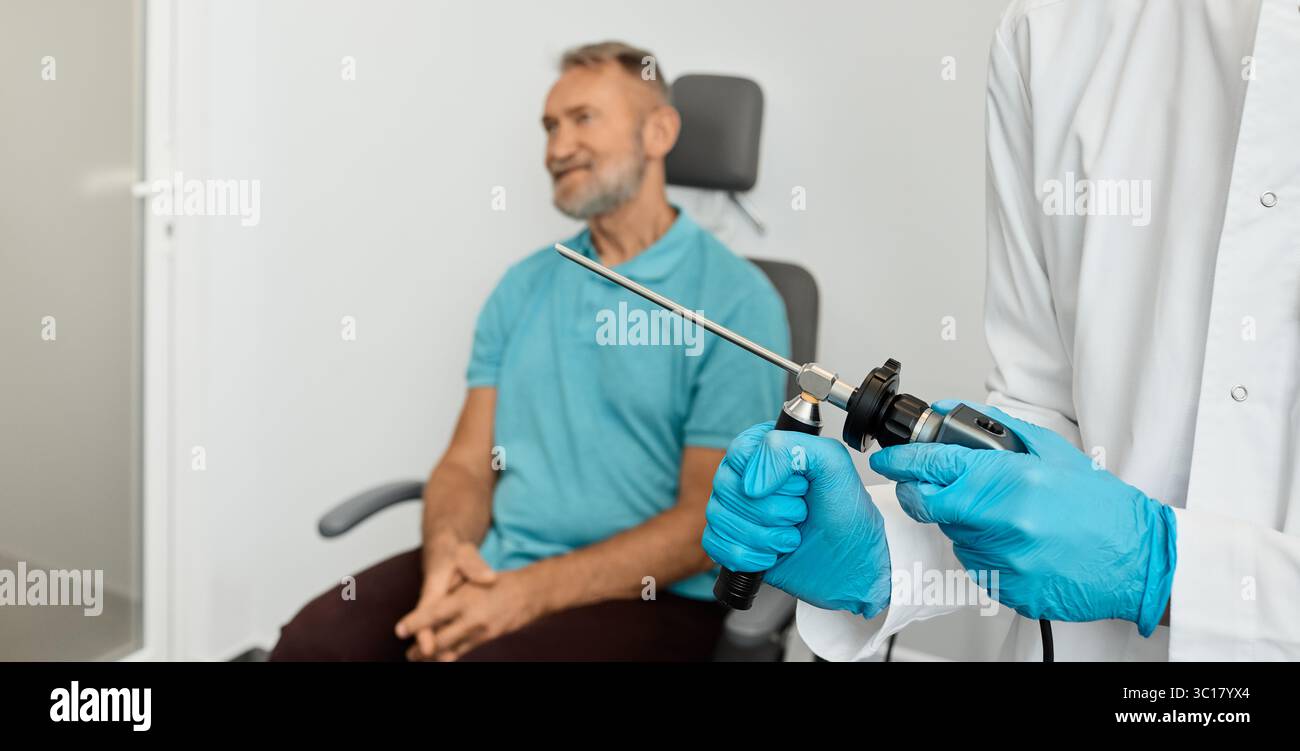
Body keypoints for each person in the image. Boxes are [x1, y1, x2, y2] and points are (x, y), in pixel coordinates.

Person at [703, 0, 1300, 661]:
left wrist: (1163, 571)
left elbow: (1111, 536)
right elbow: (1044, 425)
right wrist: (888, 557)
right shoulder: (1053, 27)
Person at [271, 41, 788, 661]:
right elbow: (466, 465)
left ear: (658, 131)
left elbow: (703, 524)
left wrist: (526, 595)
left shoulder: (736, 304)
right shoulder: (523, 286)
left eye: (583, 120)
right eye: (549, 126)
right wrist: (449, 560)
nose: (556, 148)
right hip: (499, 562)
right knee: (312, 646)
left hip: (652, 597)